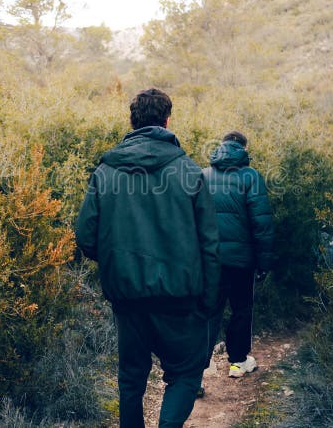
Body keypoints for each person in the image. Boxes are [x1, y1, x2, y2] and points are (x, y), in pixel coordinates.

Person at [75, 88, 220, 428]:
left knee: (131, 380)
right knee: (185, 374)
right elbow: (210, 246)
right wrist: (208, 302)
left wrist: (119, 265)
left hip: (128, 297)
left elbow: (85, 237)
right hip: (180, 299)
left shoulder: (106, 171)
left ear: (132, 121)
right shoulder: (188, 171)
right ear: (167, 121)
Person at [202, 130, 275, 381]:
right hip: (242, 261)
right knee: (241, 309)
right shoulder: (251, 177)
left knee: (209, 310)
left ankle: (200, 368)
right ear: (244, 148)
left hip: (210, 259)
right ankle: (238, 362)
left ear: (221, 147)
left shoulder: (203, 175)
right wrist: (264, 262)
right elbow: (261, 223)